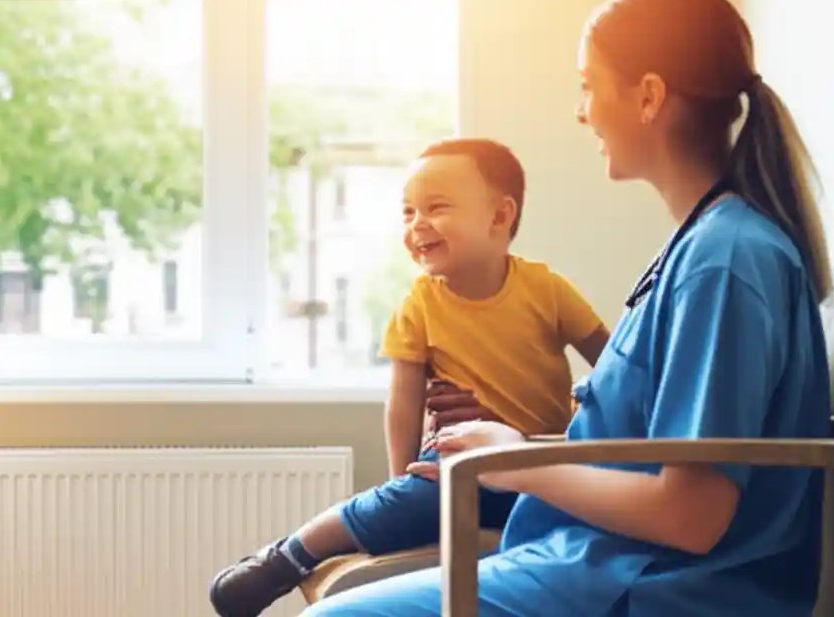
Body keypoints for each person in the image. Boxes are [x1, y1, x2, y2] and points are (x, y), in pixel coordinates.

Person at [302, 0, 834, 617]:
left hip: (653, 588)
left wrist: (517, 465)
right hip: (596, 562)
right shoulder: (703, 247)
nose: (582, 112)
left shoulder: (725, 261)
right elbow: (648, 454)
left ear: (648, 97)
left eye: (588, 86)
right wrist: (512, 447)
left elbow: (693, 515)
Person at [210, 138, 610, 617]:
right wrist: (401, 478)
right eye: (407, 212)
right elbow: (403, 403)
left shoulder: (546, 289)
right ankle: (289, 555)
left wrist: (568, 433)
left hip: (535, 468)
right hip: (457, 468)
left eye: (436, 207)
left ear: (500, 217)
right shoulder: (419, 306)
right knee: (405, 499)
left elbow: (614, 367)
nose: (417, 224)